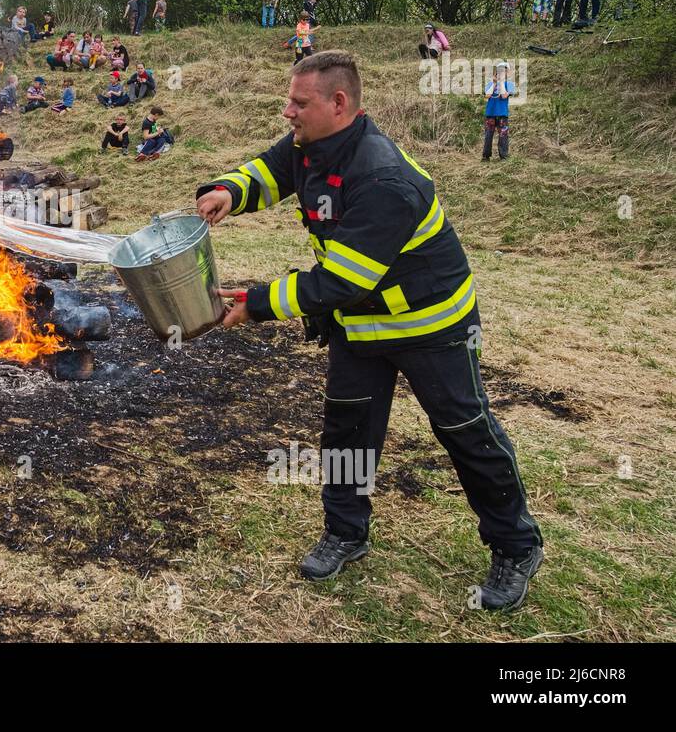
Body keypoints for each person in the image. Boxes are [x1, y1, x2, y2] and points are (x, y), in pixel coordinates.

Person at [196, 50, 542, 609]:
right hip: (361, 323)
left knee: (464, 430)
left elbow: (338, 283)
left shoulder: (383, 179)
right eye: (289, 99)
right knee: (348, 428)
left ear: (339, 104)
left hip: (430, 324)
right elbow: (272, 168)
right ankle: (346, 531)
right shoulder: (313, 144)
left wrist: (256, 304)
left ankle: (515, 544)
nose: (287, 111)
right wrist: (228, 191)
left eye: (298, 102)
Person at [482, 61, 515, 161]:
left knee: (503, 136)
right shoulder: (490, 84)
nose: (500, 73)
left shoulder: (509, 84)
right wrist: (495, 83)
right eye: (499, 71)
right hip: (490, 113)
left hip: (502, 113)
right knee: (488, 136)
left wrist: (501, 82)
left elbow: (504, 95)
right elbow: (487, 95)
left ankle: (503, 156)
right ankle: (486, 156)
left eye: (503, 71)